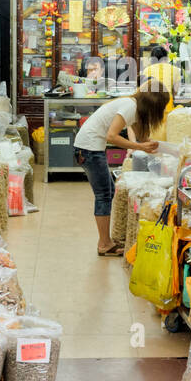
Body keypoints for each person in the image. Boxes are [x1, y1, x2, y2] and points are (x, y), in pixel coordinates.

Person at [73, 82, 171, 256]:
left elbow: (139, 134)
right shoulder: (129, 106)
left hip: (90, 147)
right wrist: (140, 147)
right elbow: (112, 136)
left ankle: (106, 241)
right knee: (103, 194)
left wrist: (152, 144)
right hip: (89, 148)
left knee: (108, 191)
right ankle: (104, 244)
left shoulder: (133, 106)